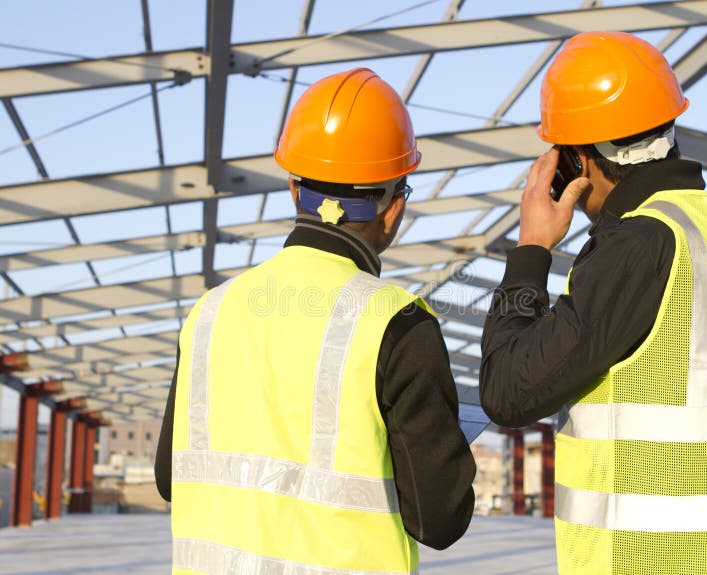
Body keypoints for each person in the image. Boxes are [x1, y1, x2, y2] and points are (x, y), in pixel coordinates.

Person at [479, 31, 707, 574]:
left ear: (577, 162)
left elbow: (508, 391)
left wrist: (531, 249)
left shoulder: (638, 244)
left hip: (656, 559)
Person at [155, 67, 475, 575]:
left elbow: (171, 480)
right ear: (393, 207)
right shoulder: (399, 323)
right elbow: (440, 521)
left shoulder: (209, 313)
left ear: (291, 188)